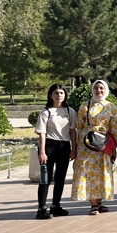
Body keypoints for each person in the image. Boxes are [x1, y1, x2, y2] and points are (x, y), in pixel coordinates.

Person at [74, 79, 117, 215]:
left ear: (106, 90)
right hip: (87, 144)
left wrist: (114, 147)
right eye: (96, 88)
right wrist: (77, 145)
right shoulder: (85, 106)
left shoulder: (111, 107)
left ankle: (99, 202)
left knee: (102, 172)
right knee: (88, 173)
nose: (98, 91)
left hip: (103, 144)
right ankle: (93, 203)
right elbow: (79, 126)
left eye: (101, 88)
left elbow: (114, 128)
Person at [35, 83, 77, 219]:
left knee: (60, 178)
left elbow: (72, 132)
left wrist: (73, 149)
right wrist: (42, 152)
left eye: (61, 93)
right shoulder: (46, 111)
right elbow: (41, 133)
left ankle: (55, 205)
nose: (59, 95)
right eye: (56, 93)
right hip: (49, 146)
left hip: (64, 146)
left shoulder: (70, 111)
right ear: (50, 95)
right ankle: (41, 208)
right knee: (45, 179)